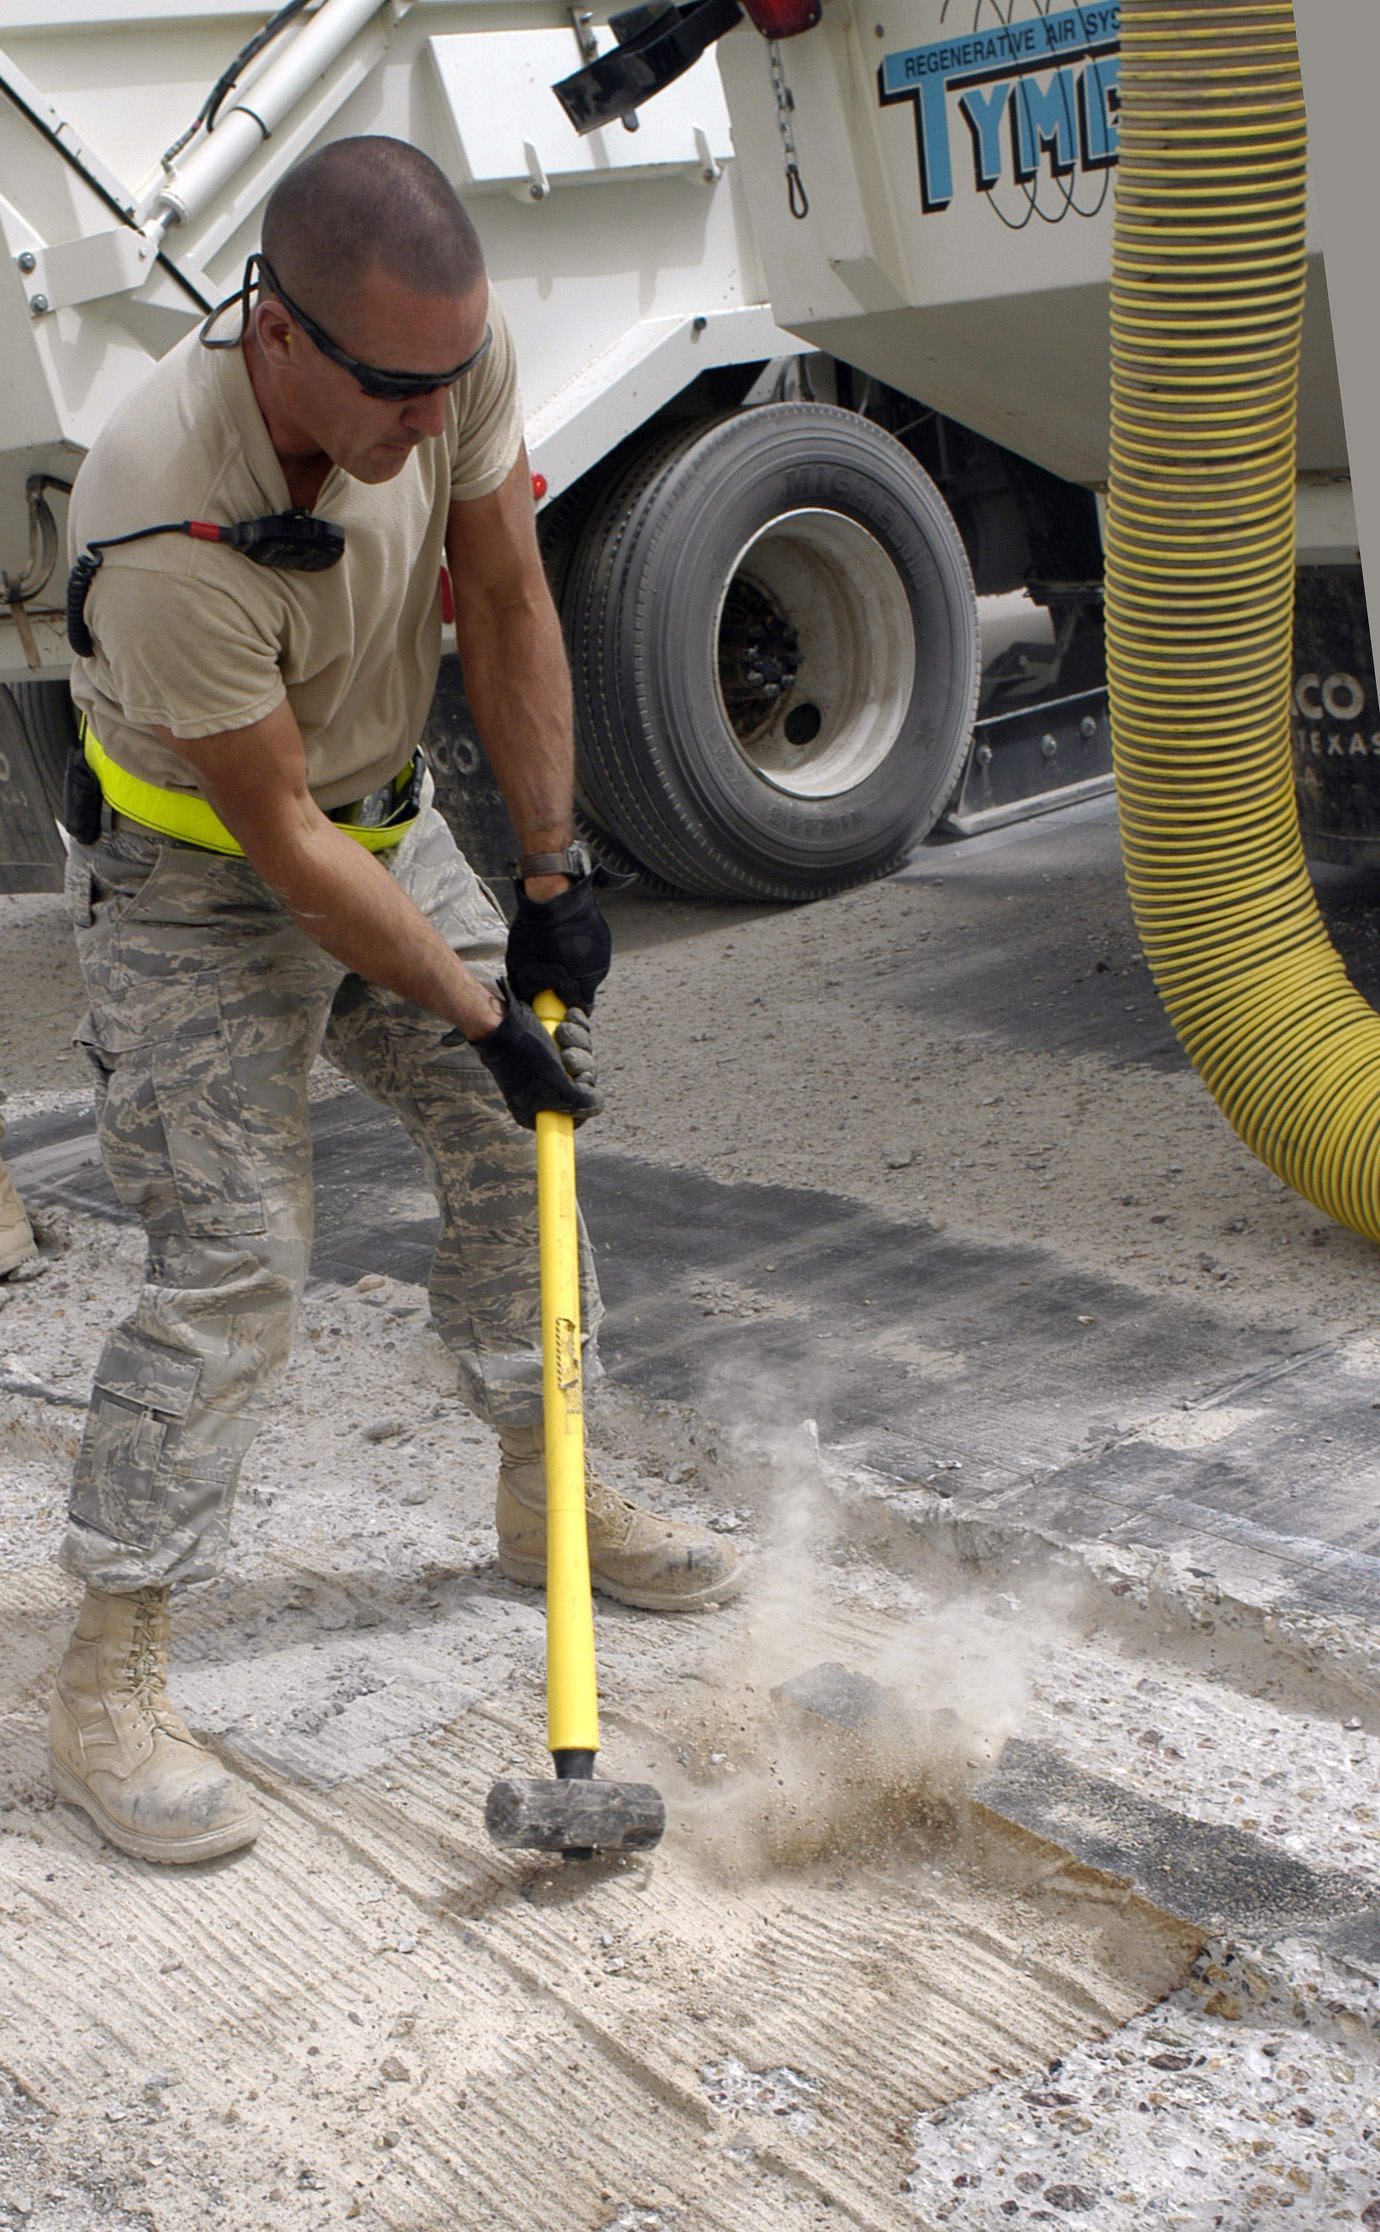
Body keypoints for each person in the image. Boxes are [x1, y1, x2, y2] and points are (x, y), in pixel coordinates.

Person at [52, 135, 741, 1868]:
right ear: (280, 330)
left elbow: (505, 592)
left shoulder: (440, 354)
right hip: (199, 884)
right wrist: (479, 1012)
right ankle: (107, 1673)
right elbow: (278, 842)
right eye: (397, 394)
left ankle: (547, 1503)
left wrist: (557, 873)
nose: (433, 427)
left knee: (527, 1161)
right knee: (235, 1255)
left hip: (385, 825)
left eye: (456, 381)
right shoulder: (159, 500)